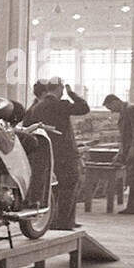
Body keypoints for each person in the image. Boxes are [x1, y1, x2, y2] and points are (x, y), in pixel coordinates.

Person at [22, 79, 89, 230]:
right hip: (65, 153)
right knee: (70, 185)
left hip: (46, 153)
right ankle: (64, 222)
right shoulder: (60, 104)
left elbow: (26, 127)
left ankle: (55, 220)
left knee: (54, 188)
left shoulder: (36, 107)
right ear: (59, 88)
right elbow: (84, 108)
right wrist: (72, 94)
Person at [103, 94, 134, 214]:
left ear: (115, 101)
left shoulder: (130, 109)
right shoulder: (125, 111)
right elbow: (125, 135)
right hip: (132, 146)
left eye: (110, 108)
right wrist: (121, 151)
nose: (112, 112)